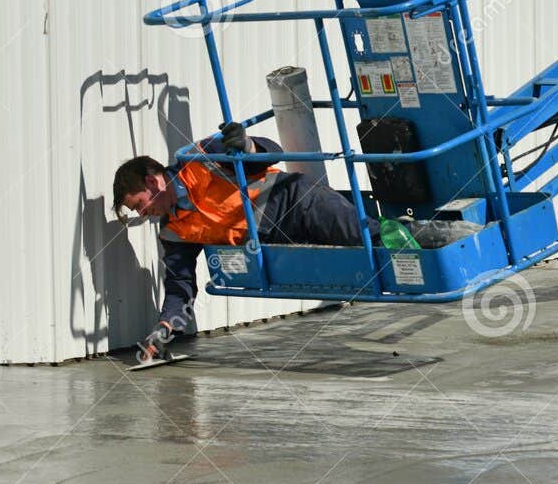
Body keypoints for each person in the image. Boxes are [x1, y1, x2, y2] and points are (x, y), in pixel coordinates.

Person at [112, 122, 403, 360]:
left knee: (368, 241)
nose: (144, 214)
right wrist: (165, 328)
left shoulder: (202, 157)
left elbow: (273, 153)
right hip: (277, 240)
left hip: (297, 202)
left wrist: (247, 145)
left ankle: (418, 241)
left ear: (153, 182)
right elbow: (180, 284)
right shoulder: (173, 230)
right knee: (354, 258)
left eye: (140, 205)